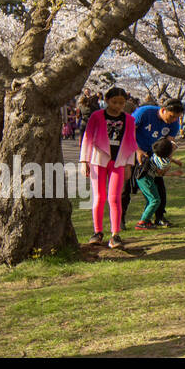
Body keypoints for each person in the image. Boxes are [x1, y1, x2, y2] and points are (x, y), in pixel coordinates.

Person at [79, 87, 139, 250]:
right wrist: (84, 161)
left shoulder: (129, 120)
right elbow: (88, 139)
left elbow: (131, 143)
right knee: (99, 196)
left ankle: (115, 234)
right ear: (106, 100)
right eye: (114, 102)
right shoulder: (97, 116)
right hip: (98, 160)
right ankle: (97, 232)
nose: (118, 105)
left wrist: (128, 165)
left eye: (121, 102)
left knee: (114, 198)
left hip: (118, 161)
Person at [130, 98, 184, 226]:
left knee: (159, 186)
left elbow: (168, 145)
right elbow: (129, 131)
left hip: (153, 154)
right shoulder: (144, 112)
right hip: (133, 149)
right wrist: (137, 150)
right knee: (127, 187)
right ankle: (121, 220)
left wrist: (167, 162)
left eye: (177, 117)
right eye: (172, 116)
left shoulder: (174, 124)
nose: (174, 120)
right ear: (163, 110)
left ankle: (159, 217)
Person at [135, 137, 184, 230]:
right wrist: (174, 173)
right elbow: (161, 173)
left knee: (151, 200)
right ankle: (142, 222)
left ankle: (147, 220)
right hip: (146, 179)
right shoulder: (164, 163)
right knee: (155, 200)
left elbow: (167, 158)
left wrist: (175, 160)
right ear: (168, 152)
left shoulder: (157, 153)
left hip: (142, 177)